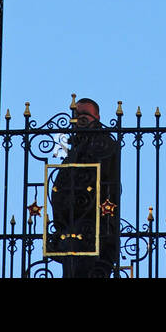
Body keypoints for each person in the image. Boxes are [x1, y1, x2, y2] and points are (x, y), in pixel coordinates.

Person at [49, 97, 121, 279]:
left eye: (85, 115)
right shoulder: (75, 149)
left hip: (93, 224)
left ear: (97, 116)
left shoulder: (103, 144)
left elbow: (108, 184)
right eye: (77, 115)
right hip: (71, 225)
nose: (80, 119)